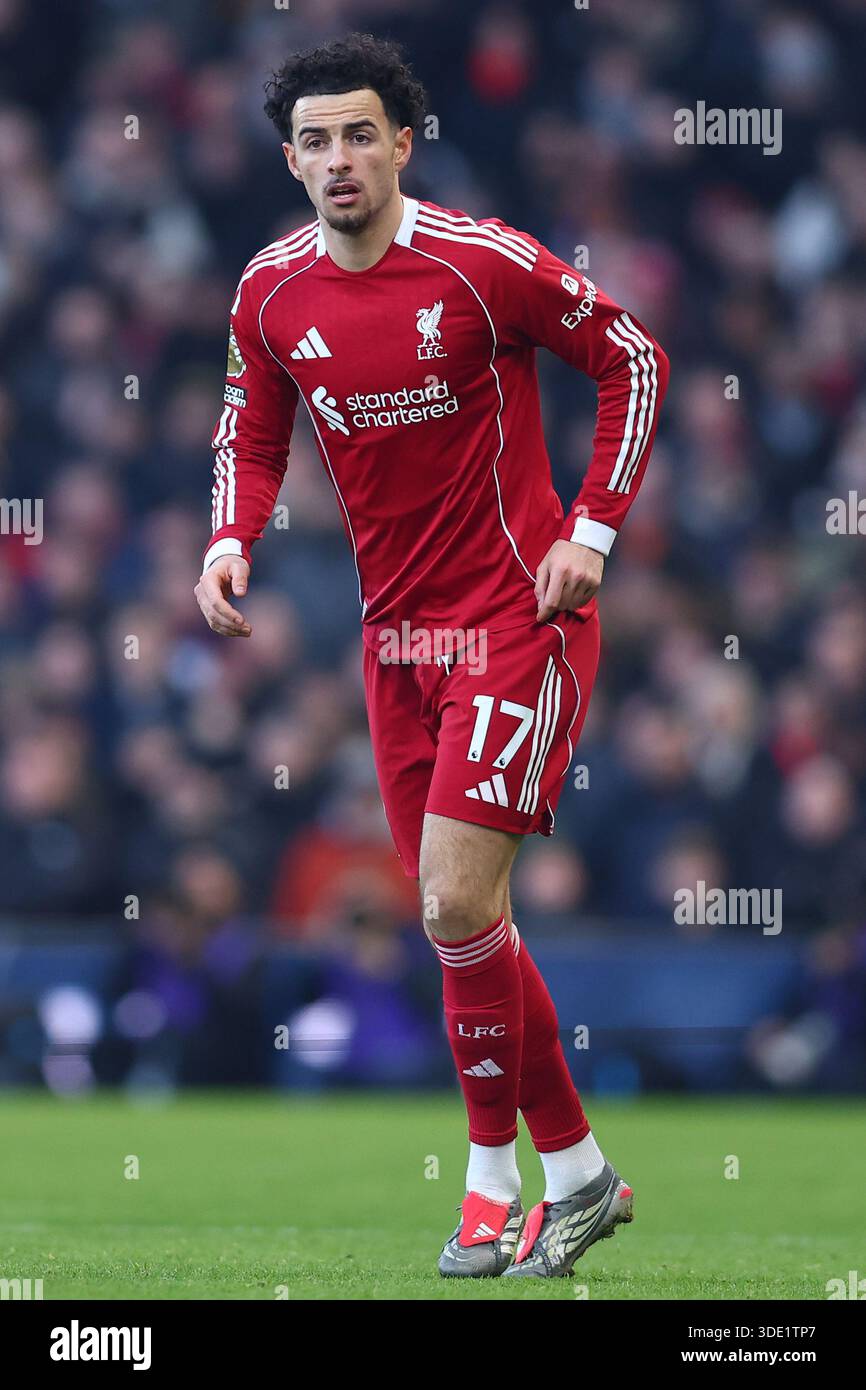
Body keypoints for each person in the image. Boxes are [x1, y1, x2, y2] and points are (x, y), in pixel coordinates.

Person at [194, 32, 669, 1278]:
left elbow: (630, 356)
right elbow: (250, 421)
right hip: (394, 641)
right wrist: (230, 538)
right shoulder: (270, 290)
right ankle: (578, 1177)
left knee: (457, 900)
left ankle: (487, 1187)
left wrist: (593, 533)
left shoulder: (478, 264)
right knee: (461, 922)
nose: (338, 158)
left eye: (360, 134)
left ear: (403, 142)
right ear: (288, 159)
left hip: (517, 616)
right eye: (314, 140)